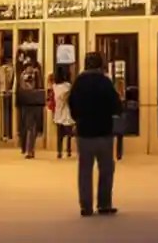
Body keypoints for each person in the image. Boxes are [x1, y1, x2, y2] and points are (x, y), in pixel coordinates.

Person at [68, 52, 120, 216]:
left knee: (85, 170)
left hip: (84, 133)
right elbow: (116, 105)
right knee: (106, 169)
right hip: (104, 131)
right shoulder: (105, 82)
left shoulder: (78, 83)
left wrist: (78, 118)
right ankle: (104, 204)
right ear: (100, 64)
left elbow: (72, 104)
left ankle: (86, 206)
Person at [16, 53, 46, 159]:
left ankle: (27, 148)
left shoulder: (30, 74)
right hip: (30, 103)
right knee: (30, 127)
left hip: (29, 102)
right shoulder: (29, 75)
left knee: (29, 126)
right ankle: (29, 150)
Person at [51, 66, 74, 159]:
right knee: (69, 132)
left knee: (59, 133)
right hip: (67, 110)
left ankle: (59, 151)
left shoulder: (54, 86)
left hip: (58, 109)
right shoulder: (68, 86)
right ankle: (68, 150)